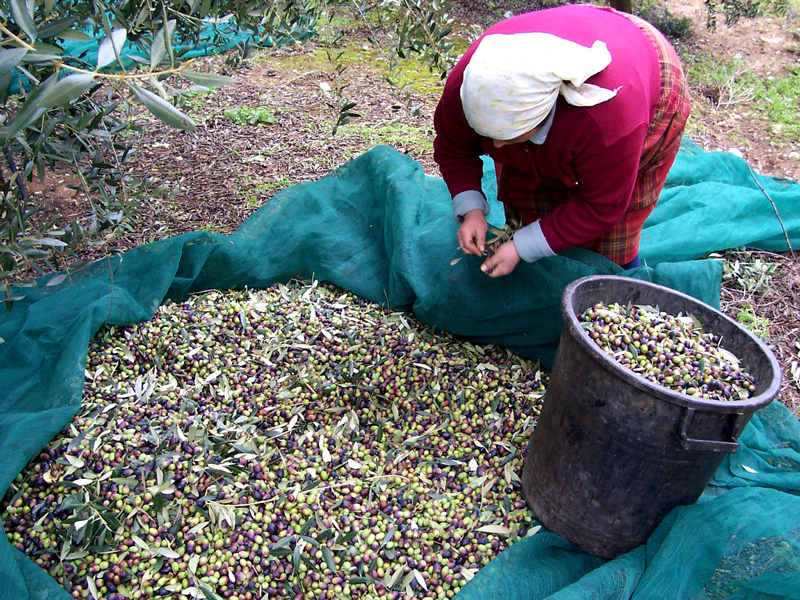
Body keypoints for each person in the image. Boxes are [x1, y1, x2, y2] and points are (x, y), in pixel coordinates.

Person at [433, 3, 691, 276]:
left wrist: (522, 247)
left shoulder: (609, 122)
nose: (495, 146)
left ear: (543, 113)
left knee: (612, 239)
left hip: (644, 73)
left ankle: (622, 280)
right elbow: (454, 149)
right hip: (579, 37)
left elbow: (601, 206)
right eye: (486, 134)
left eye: (508, 135)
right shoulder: (471, 85)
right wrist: (472, 211)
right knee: (526, 201)